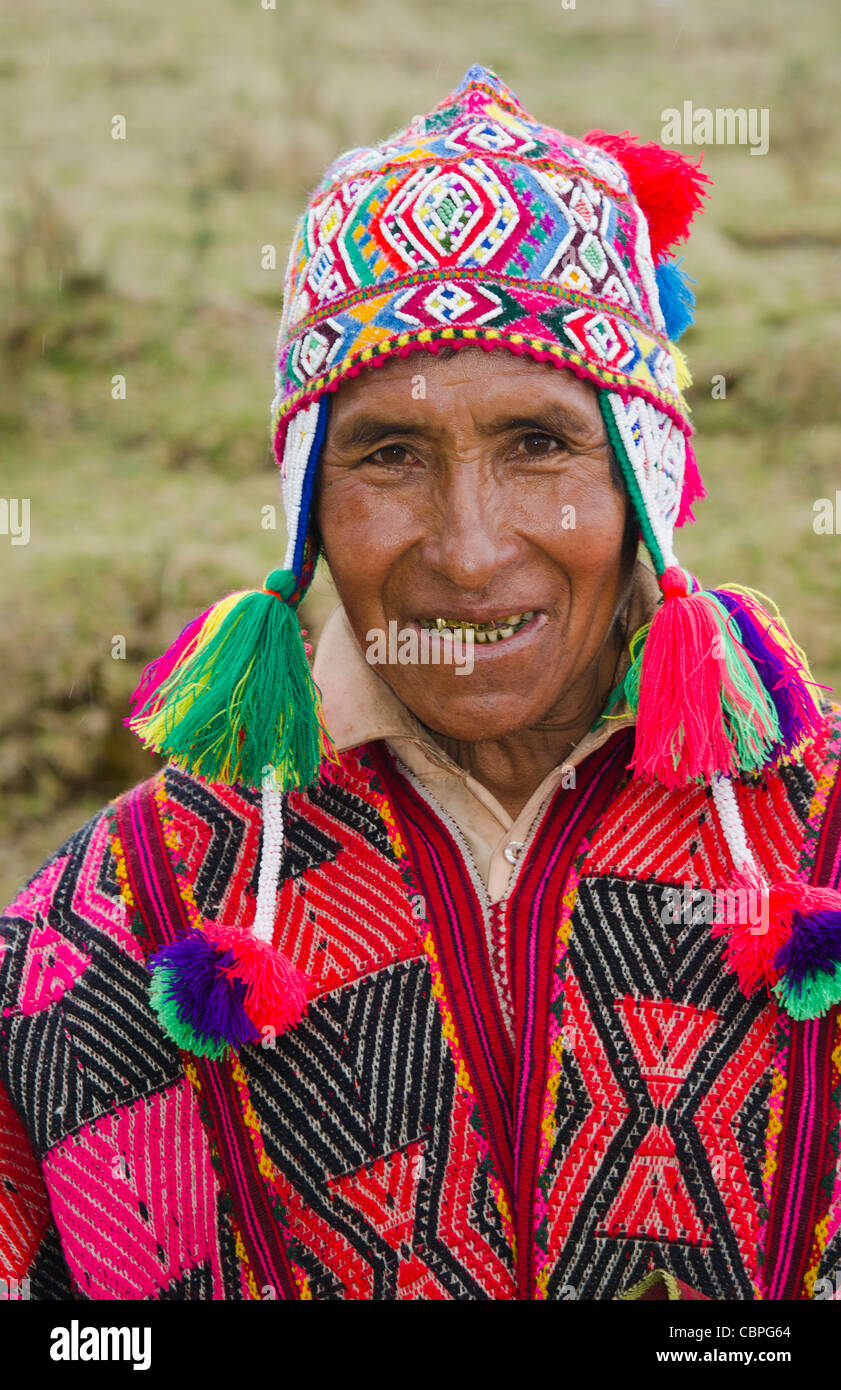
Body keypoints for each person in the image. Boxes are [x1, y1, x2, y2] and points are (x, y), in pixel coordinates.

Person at [2, 64, 840, 1303]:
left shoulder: (814, 845)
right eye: (387, 454)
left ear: (641, 488)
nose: (469, 549)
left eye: (540, 444)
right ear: (305, 516)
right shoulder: (121, 920)